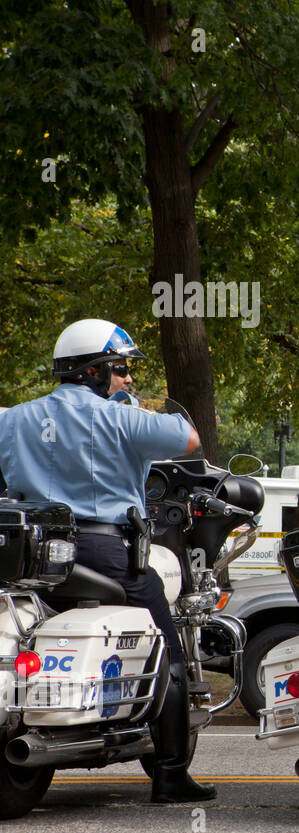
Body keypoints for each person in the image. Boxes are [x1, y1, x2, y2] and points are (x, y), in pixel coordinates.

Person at [0, 319, 209, 803]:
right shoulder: (121, 418)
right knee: (168, 653)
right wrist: (131, 407)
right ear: (93, 372)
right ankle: (172, 777)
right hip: (104, 551)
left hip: (28, 556)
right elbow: (190, 440)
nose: (128, 379)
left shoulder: (13, 419)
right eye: (120, 369)